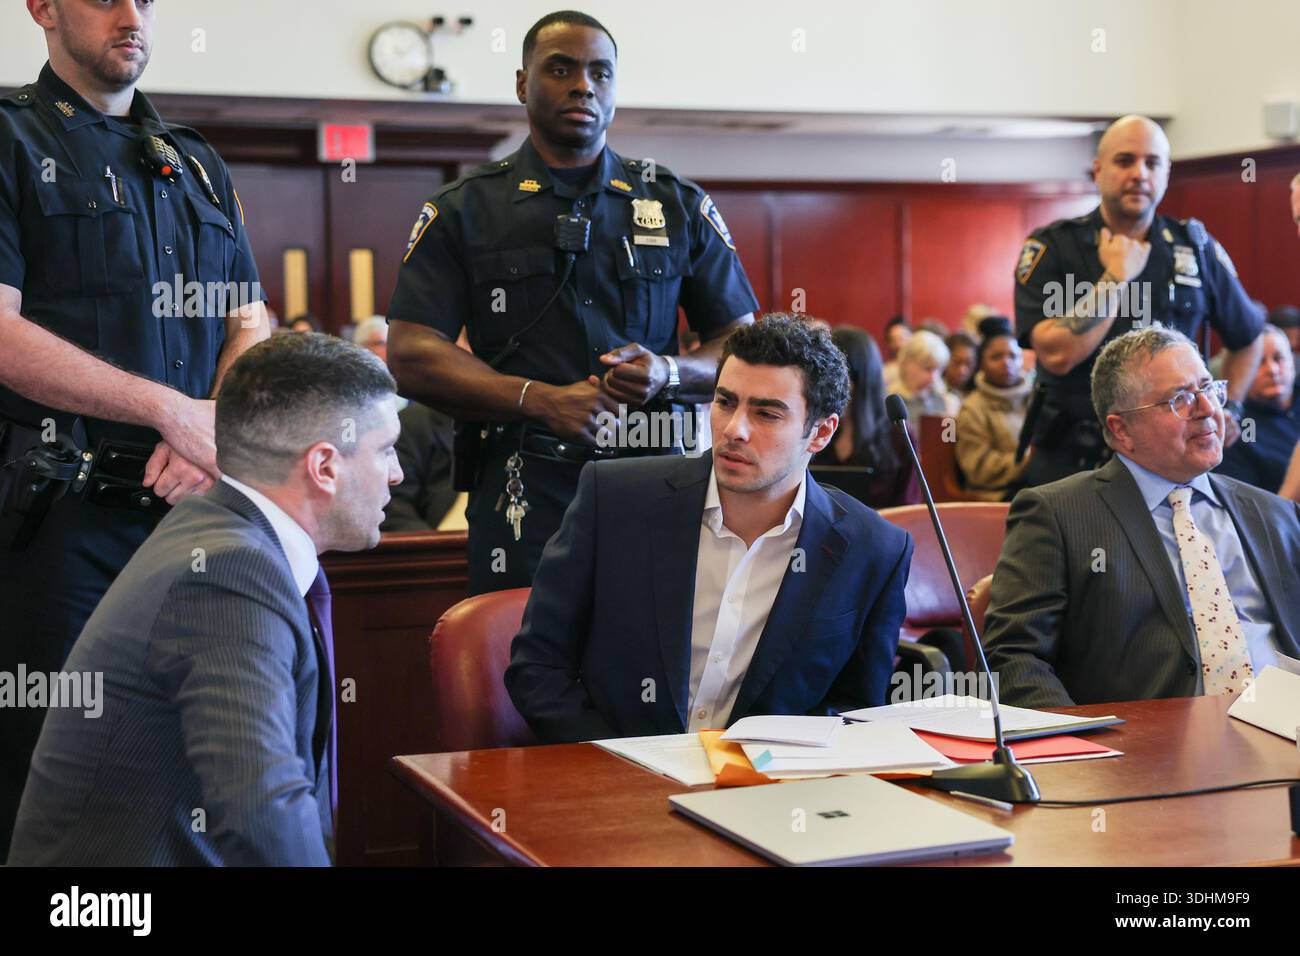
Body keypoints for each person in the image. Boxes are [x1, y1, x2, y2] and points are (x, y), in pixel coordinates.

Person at [0, 0, 268, 857]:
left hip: (195, 512)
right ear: (41, 7)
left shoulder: (192, 161)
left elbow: (249, 324)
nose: (131, 14)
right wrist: (167, 411)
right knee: (64, 781)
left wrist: (213, 428)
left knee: (197, 771)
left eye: (146, 0)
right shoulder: (12, 140)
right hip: (61, 522)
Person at [386, 11, 757, 596]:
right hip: (522, 484)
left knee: (652, 663)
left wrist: (668, 371)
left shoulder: (674, 202)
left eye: (599, 73)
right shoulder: (466, 208)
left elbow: (743, 347)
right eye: (560, 69)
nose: (583, 84)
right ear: (521, 84)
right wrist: (539, 399)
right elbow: (411, 353)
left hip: (654, 479)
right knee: (520, 663)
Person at [8, 333, 401, 865]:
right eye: (385, 450)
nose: (397, 474)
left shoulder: (220, 530)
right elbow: (265, 812)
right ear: (324, 466)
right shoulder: (227, 569)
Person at [505, 315, 912, 742]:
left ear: (820, 432)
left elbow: (858, 712)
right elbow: (537, 668)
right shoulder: (613, 498)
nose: (734, 429)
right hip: (615, 774)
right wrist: (615, 766)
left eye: (767, 413)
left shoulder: (874, 549)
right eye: (725, 402)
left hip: (766, 793)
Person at [983, 327, 1300, 708]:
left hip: (1284, 732)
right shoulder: (1058, 514)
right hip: (1146, 752)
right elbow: (1013, 657)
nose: (1207, 409)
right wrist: (1086, 751)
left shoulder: (1275, 514)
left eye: (1208, 387)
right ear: (1121, 429)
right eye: (1180, 399)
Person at [1014, 115, 1264, 488]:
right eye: (1124, 161)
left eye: (1152, 163)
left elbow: (1249, 336)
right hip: (1072, 457)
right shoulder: (1054, 247)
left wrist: (1232, 406)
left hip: (1173, 457)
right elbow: (1057, 354)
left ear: (1166, 173)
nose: (1139, 174)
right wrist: (1115, 276)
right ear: (1098, 171)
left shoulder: (1194, 247)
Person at [812, 326, 920, 508]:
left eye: (839, 375)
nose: (829, 384)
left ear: (861, 377)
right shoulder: (812, 423)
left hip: (880, 530)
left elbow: (908, 505)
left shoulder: (898, 431)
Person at [1215, 325, 1300, 493]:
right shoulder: (1237, 430)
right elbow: (1250, 515)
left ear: (1292, 361)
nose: (1272, 370)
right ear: (1239, 372)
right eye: (1259, 362)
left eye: (1278, 358)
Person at [956, 327, 1033, 500]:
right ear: (981, 364)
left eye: (1013, 356)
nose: (1006, 363)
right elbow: (977, 468)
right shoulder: (973, 408)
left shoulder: (1034, 397)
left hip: (1033, 486)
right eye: (996, 357)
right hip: (997, 495)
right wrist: (1027, 460)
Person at [892, 329, 960, 423]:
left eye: (938, 369)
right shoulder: (890, 402)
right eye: (928, 368)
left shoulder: (949, 402)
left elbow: (950, 438)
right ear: (906, 364)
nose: (934, 377)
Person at [943, 330, 978, 397]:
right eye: (957, 362)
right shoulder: (935, 391)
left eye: (969, 364)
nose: (963, 370)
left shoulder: (976, 394)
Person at [881, 315, 912, 390]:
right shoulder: (886, 372)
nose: (898, 344)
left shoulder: (922, 369)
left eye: (901, 338)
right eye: (893, 340)